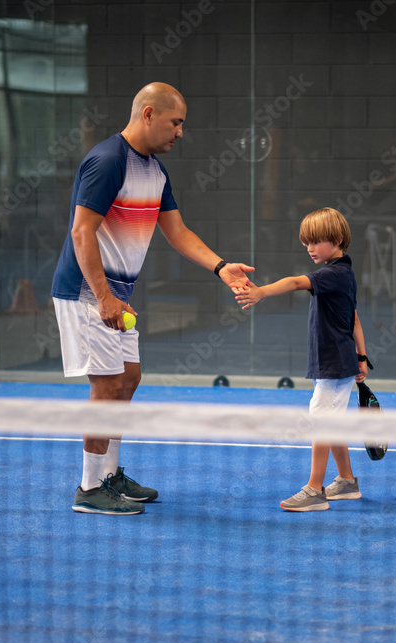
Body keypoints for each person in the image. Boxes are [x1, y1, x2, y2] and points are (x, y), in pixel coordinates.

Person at [51, 82, 254, 515]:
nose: (180, 132)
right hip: (88, 293)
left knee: (128, 378)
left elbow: (177, 231)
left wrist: (221, 267)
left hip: (116, 296)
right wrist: (103, 297)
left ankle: (109, 475)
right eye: (175, 122)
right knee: (106, 385)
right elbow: (81, 231)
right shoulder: (107, 161)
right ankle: (89, 488)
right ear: (147, 113)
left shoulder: (155, 172)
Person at [235, 207, 369, 512]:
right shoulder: (344, 274)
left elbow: (296, 283)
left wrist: (260, 292)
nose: (309, 248)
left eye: (315, 241)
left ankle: (314, 490)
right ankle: (346, 482)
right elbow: (355, 320)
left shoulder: (332, 274)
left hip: (335, 365)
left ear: (336, 240)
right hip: (338, 363)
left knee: (321, 422)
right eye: (305, 242)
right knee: (330, 421)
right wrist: (362, 357)